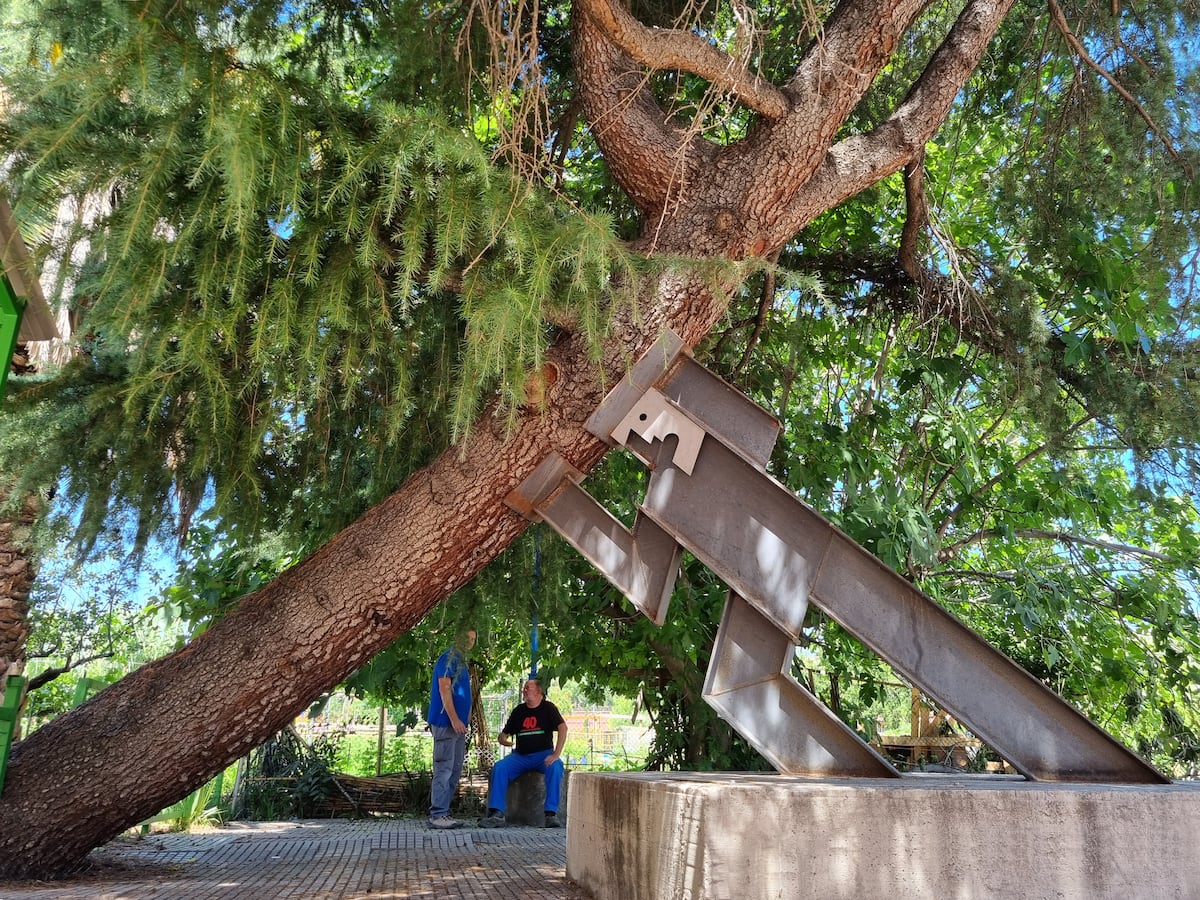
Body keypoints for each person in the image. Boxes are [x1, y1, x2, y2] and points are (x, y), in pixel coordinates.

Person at [479, 677, 567, 829]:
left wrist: (556, 754)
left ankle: (551, 814)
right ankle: (496, 813)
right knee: (500, 767)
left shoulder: (549, 708)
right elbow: (503, 735)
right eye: (524, 688)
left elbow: (563, 728)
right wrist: (503, 739)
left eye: (528, 688)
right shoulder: (519, 711)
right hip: (520, 756)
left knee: (556, 767)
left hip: (543, 755)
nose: (524, 690)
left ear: (539, 691)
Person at [427, 627, 476, 829]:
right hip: (446, 724)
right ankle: (437, 814)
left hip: (458, 726)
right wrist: (455, 718)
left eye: (473, 639)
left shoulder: (461, 661)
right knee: (444, 768)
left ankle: (444, 813)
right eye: (466, 637)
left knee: (454, 770)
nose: (470, 642)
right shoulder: (448, 659)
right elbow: (444, 688)